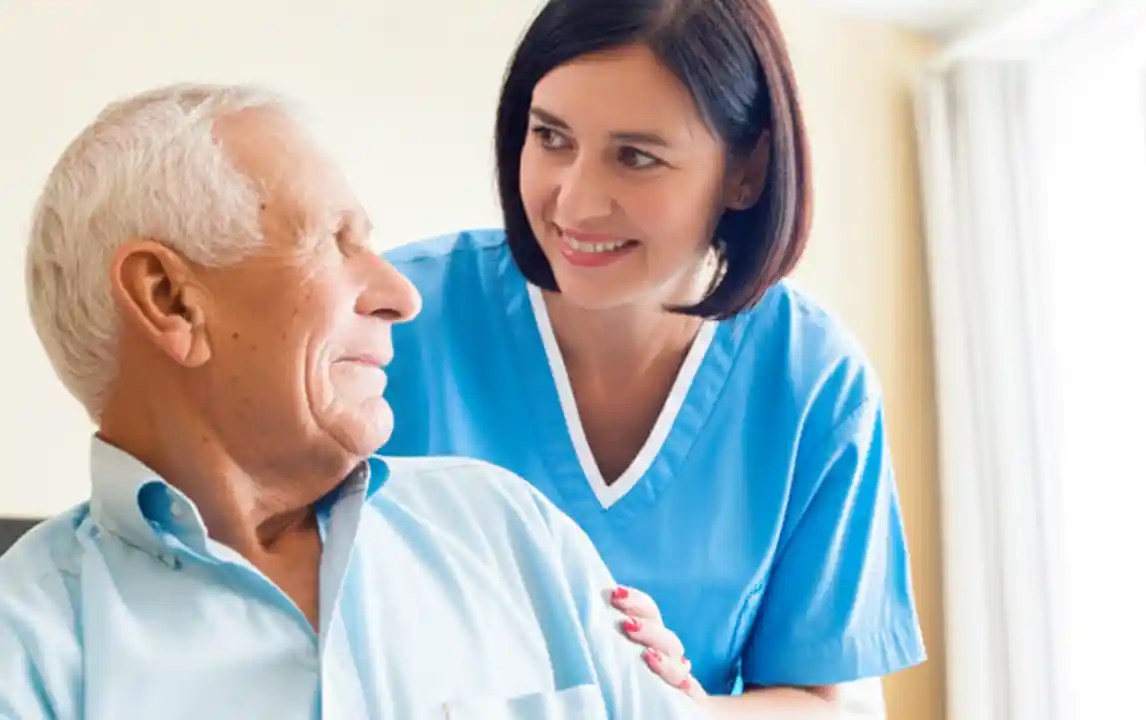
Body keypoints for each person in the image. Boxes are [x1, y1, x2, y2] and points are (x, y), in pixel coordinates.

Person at [0, 83, 705, 720]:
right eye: (335, 243)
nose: (402, 296)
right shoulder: (26, 648)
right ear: (171, 300)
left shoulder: (513, 534)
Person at [381, 0, 927, 716]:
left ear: (748, 171)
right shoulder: (392, 323)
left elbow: (833, 703)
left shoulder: (813, 380)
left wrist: (667, 708)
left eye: (636, 156)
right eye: (551, 137)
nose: (575, 202)